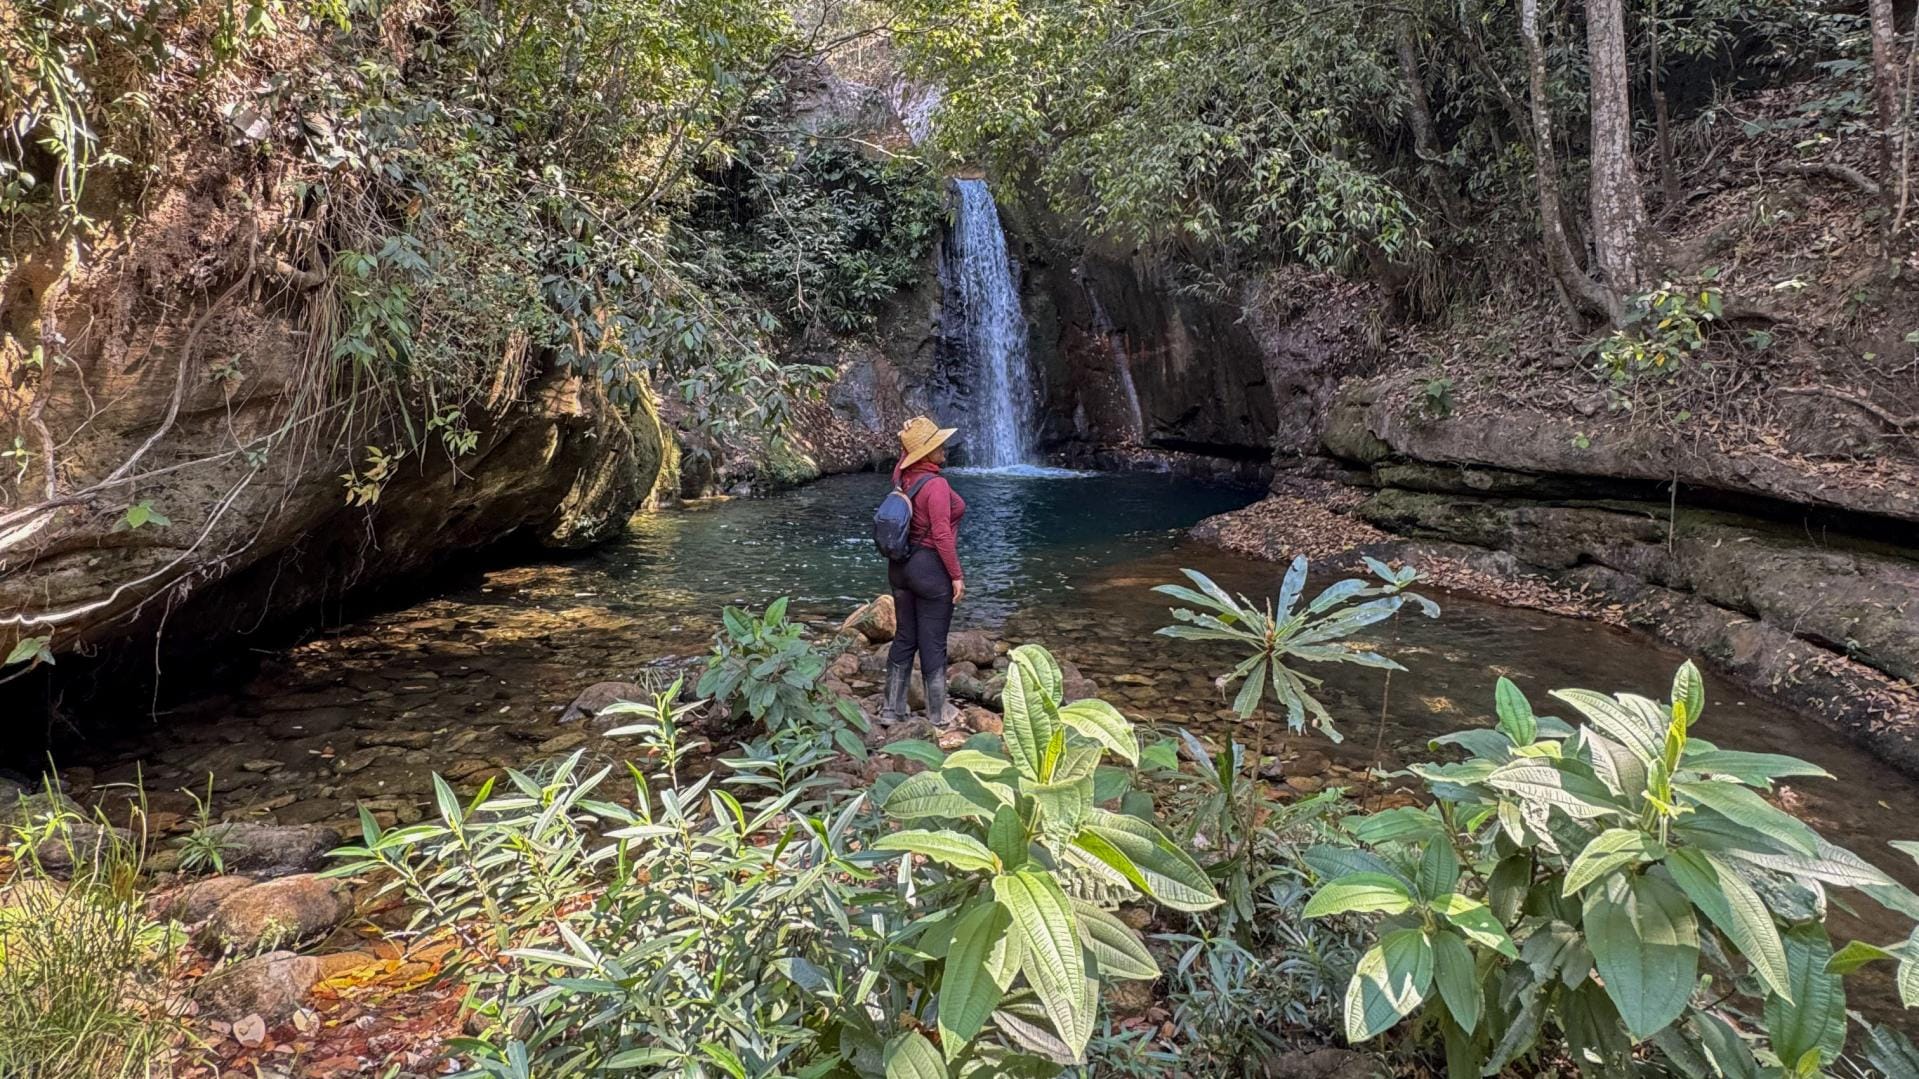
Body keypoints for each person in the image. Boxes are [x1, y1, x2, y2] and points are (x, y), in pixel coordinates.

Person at [882, 416, 966, 726]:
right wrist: (956, 575)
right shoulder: (936, 485)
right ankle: (938, 712)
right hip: (930, 569)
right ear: (926, 454)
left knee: (905, 636)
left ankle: (891, 710)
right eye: (936, 444)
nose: (943, 447)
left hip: (900, 567)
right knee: (933, 641)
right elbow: (942, 534)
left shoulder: (903, 479)